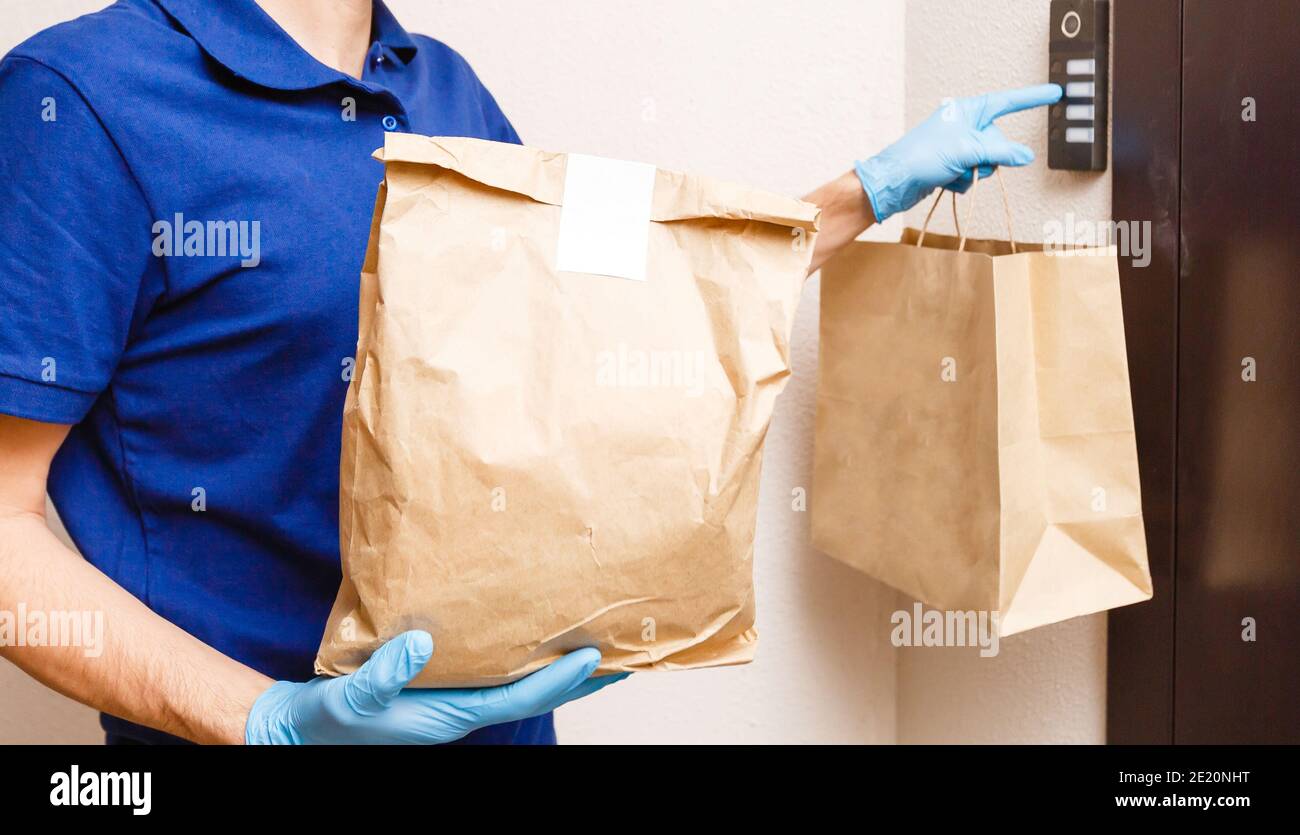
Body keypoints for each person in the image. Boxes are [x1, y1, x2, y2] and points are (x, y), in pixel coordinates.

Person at [0, 0, 1060, 744]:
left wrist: (865, 191)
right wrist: (268, 723)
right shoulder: (81, 99)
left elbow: (605, 320)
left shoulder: (444, 87)